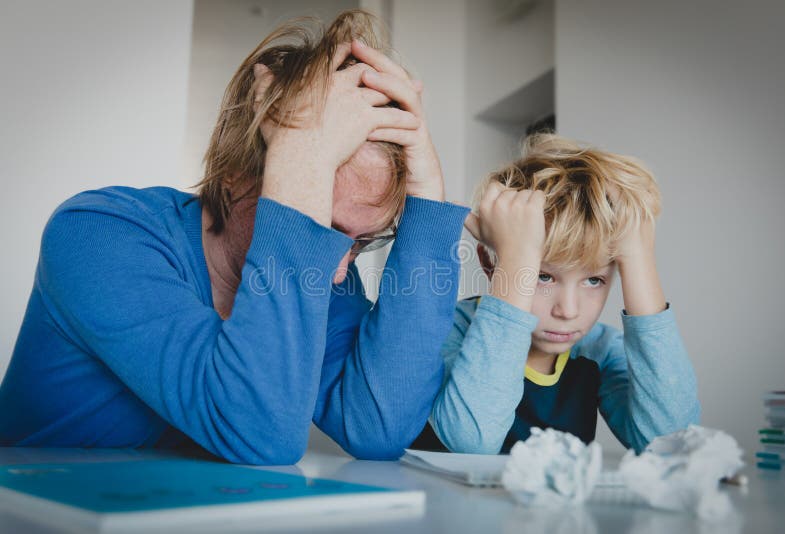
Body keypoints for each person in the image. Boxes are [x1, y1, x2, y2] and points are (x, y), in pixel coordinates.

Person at [0, 10, 470, 465]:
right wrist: (299, 165)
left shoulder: (322, 278)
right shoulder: (98, 234)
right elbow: (259, 434)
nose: (338, 270)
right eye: (322, 225)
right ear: (233, 172)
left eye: (360, 242)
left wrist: (428, 199)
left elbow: (379, 429)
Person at [412, 133, 701, 454]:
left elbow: (672, 443)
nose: (568, 310)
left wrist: (637, 256)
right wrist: (516, 260)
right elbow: (470, 441)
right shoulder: (448, 329)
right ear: (490, 263)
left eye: (593, 280)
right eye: (543, 276)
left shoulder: (598, 351)